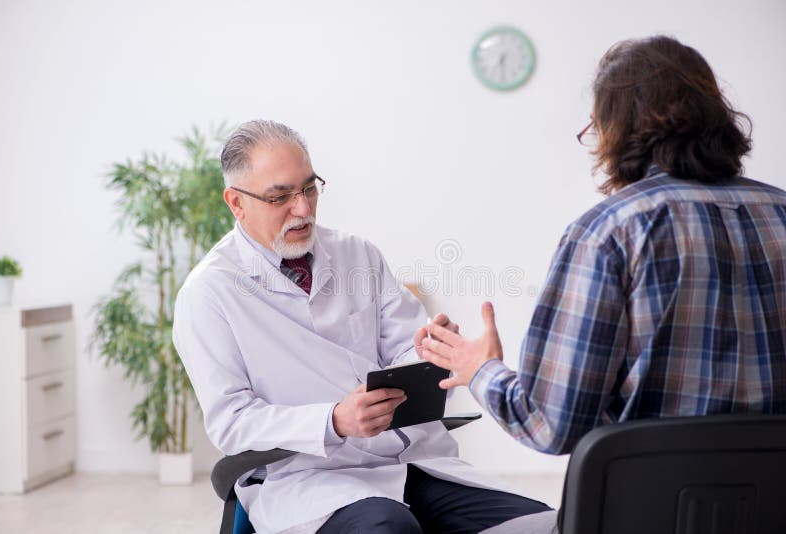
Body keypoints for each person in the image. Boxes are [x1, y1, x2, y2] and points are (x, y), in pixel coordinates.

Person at [421, 33, 786, 476]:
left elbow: (552, 425)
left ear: (618, 130)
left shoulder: (608, 232)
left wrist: (480, 368)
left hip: (654, 506)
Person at [172, 120, 551, 534]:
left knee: (544, 524)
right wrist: (333, 421)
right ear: (236, 202)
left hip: (413, 462)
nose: (302, 209)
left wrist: (430, 353)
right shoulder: (209, 292)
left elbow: (403, 349)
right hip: (309, 478)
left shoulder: (358, 254)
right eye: (280, 196)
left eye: (309, 188)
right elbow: (232, 422)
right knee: (389, 528)